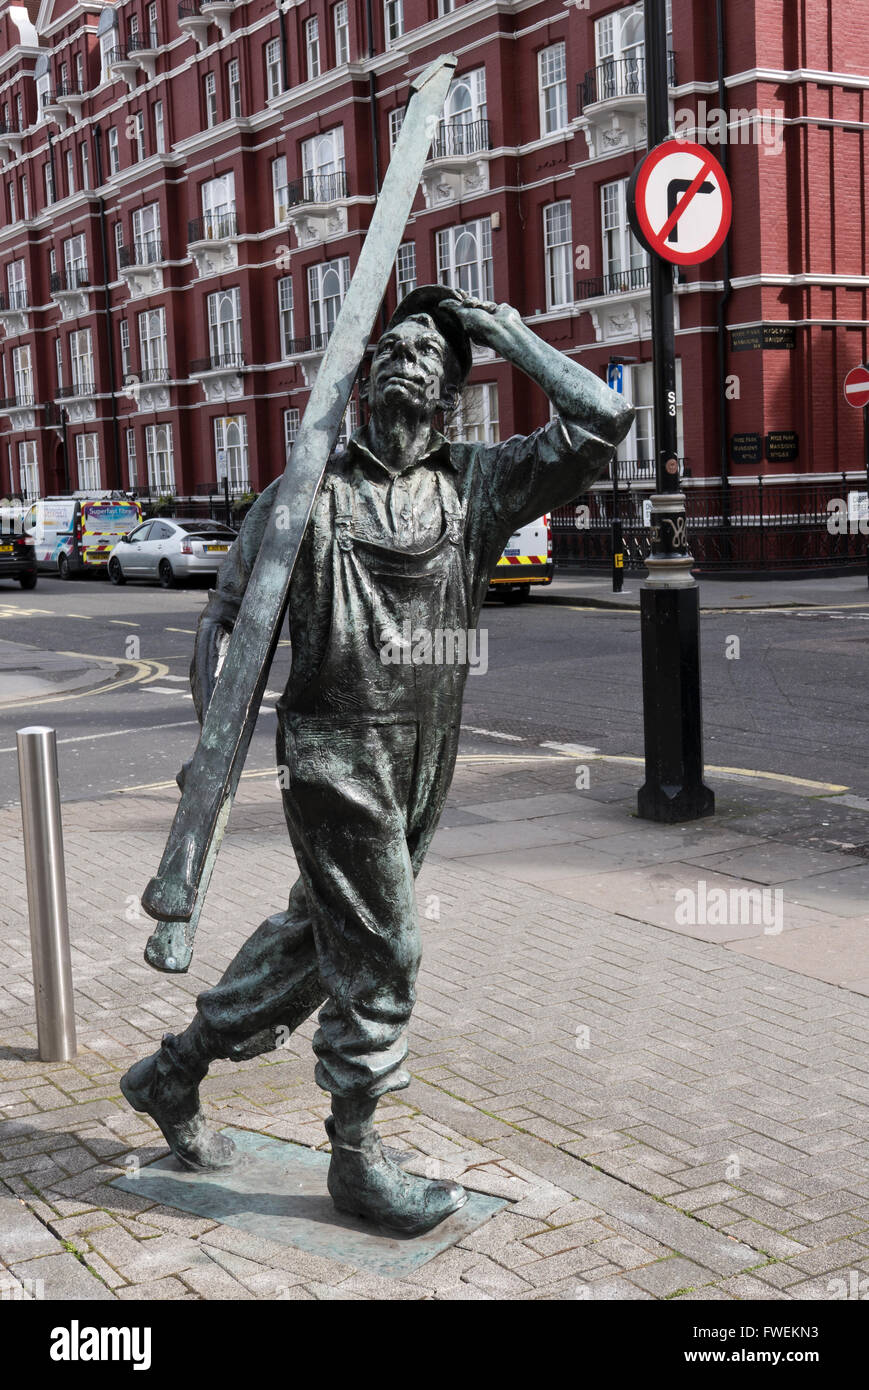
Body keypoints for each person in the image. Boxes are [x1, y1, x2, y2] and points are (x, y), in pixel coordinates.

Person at [121, 286, 634, 1235]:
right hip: (332, 756)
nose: (405, 354)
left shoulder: (477, 484)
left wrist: (505, 330)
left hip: (425, 757)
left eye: (427, 352)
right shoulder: (307, 491)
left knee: (316, 950)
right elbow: (227, 619)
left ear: (449, 394)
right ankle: (355, 1157)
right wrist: (212, 745)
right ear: (362, 382)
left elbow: (604, 418)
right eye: (389, 347)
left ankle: (170, 1073)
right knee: (389, 950)